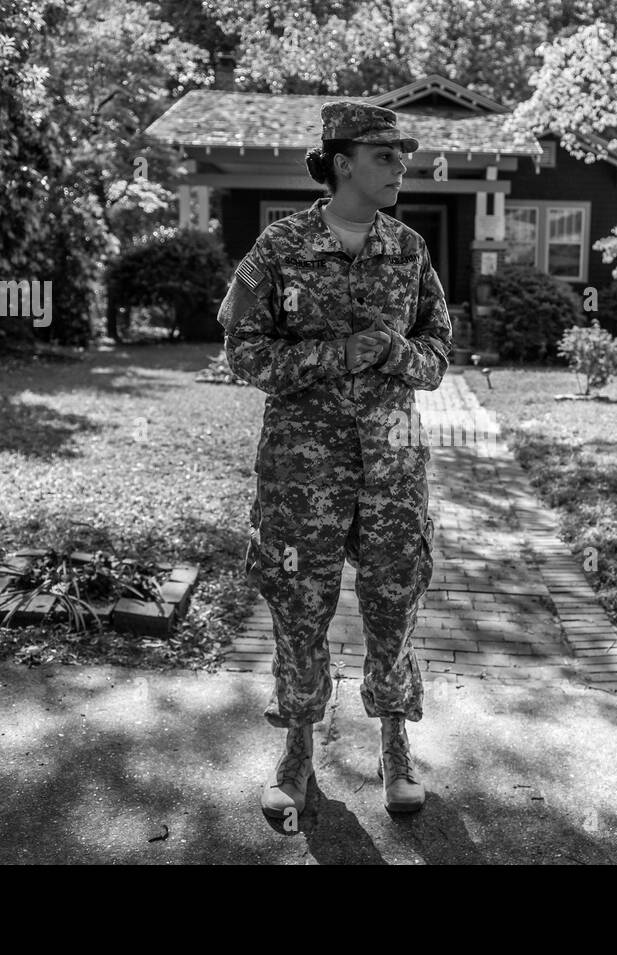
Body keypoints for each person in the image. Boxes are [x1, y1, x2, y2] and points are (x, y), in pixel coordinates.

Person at [217, 101, 452, 819]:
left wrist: (394, 351)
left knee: (394, 600)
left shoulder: (409, 248)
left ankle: (394, 743)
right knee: (298, 604)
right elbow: (243, 352)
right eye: (385, 156)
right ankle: (296, 750)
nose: (400, 168)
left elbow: (438, 354)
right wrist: (331, 355)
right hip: (302, 470)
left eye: (403, 157)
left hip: (392, 465)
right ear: (343, 164)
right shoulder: (280, 246)